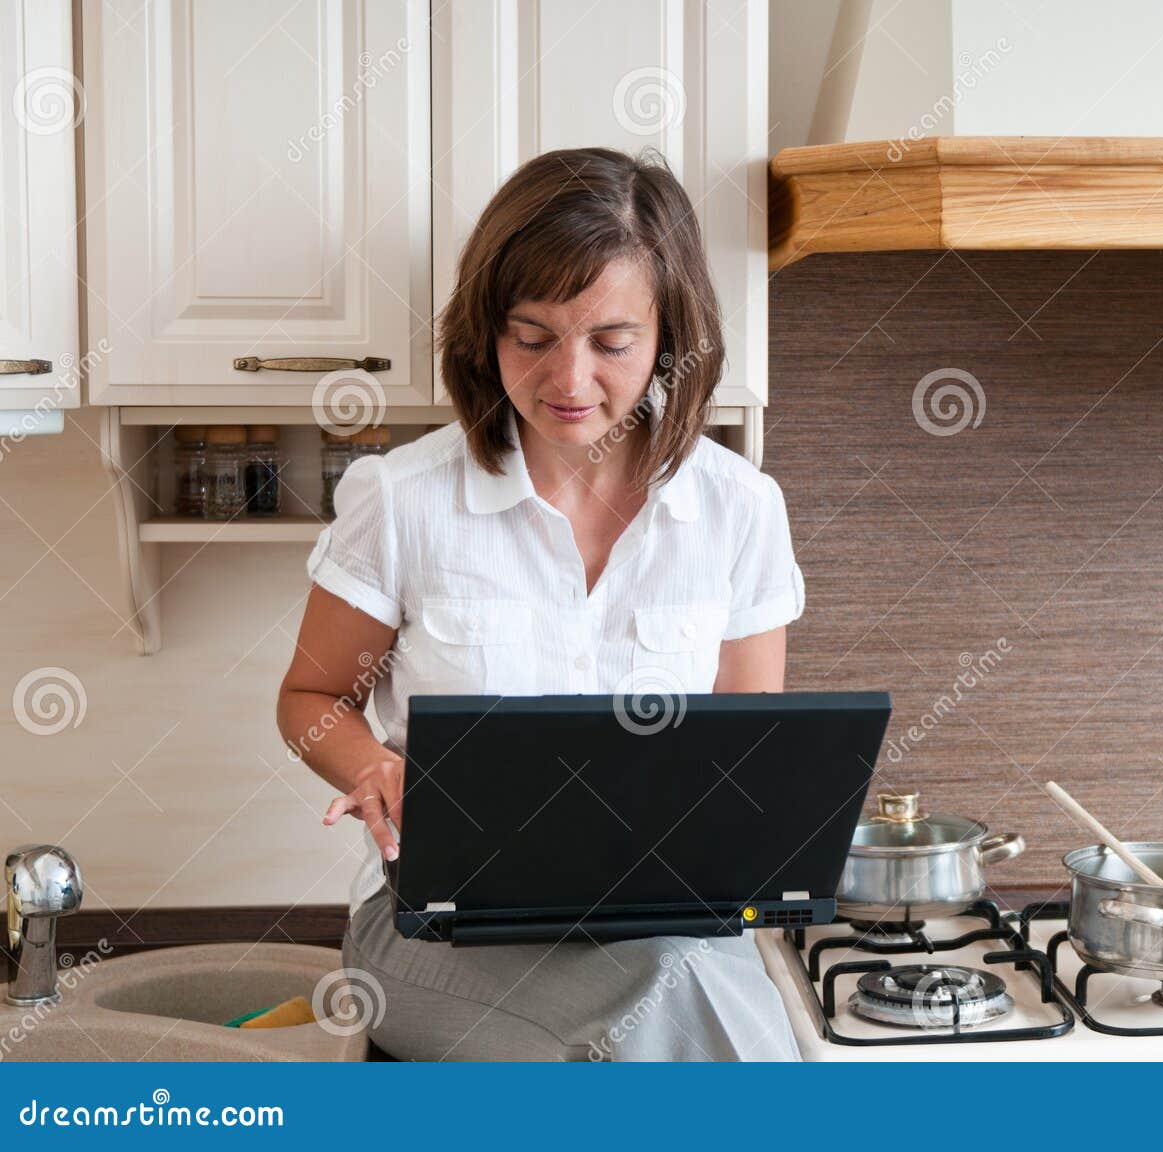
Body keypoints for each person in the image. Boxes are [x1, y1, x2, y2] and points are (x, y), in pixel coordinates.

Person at [276, 147, 805, 1061]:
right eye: (532, 336)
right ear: (487, 332)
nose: (567, 380)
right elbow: (311, 699)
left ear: (670, 337)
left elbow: (744, 754)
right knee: (679, 1001)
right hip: (433, 932)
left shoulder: (739, 508)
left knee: (676, 982)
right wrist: (376, 769)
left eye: (611, 342)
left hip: (667, 932)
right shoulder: (402, 499)